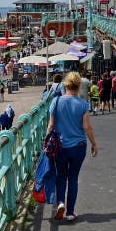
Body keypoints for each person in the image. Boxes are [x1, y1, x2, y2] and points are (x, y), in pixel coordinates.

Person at [48, 71, 97, 222]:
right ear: (78, 86)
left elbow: (50, 125)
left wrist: (46, 143)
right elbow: (87, 127)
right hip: (78, 146)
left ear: (65, 85)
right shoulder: (83, 104)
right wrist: (94, 143)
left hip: (60, 146)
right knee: (73, 178)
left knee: (61, 175)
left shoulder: (56, 102)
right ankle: (70, 212)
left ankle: (60, 202)